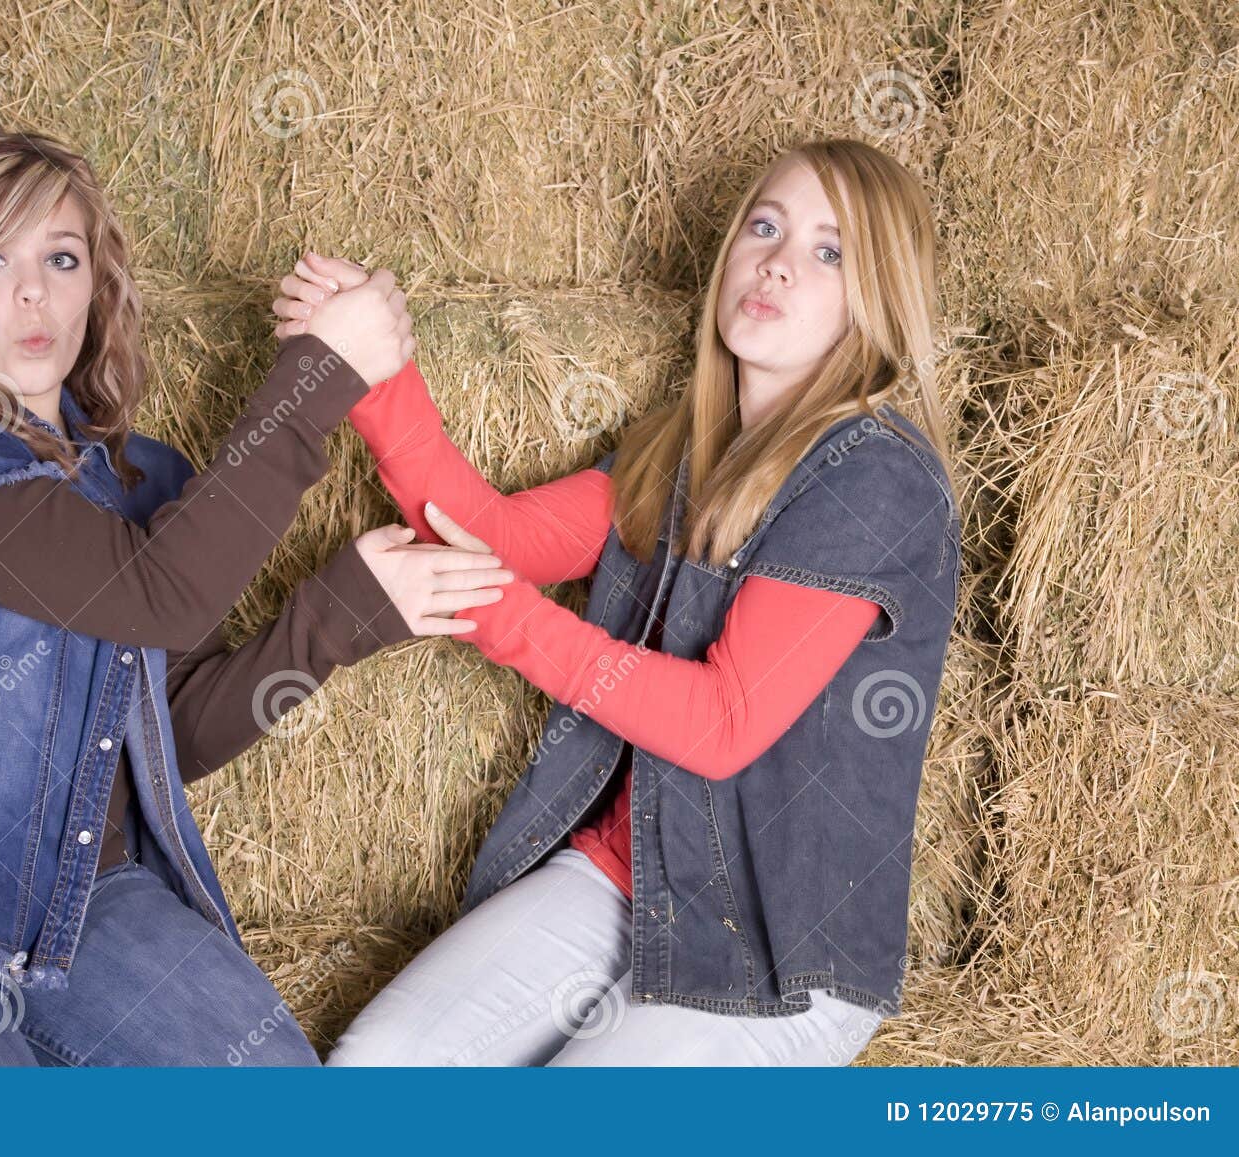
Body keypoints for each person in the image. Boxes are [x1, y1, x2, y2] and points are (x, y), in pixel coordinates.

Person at [0, 129, 511, 1066]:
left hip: (90, 907)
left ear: (98, 285)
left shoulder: (147, 483)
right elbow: (157, 595)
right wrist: (317, 378)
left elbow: (170, 732)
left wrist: (343, 613)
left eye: (62, 257)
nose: (32, 293)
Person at [273, 139, 963, 1065]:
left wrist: (503, 617)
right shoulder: (679, 457)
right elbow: (491, 532)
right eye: (765, 226)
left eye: (829, 252)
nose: (778, 263)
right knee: (376, 1068)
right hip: (624, 875)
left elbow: (723, 722)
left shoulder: (873, 479)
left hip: (779, 950)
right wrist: (374, 370)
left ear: (879, 301)